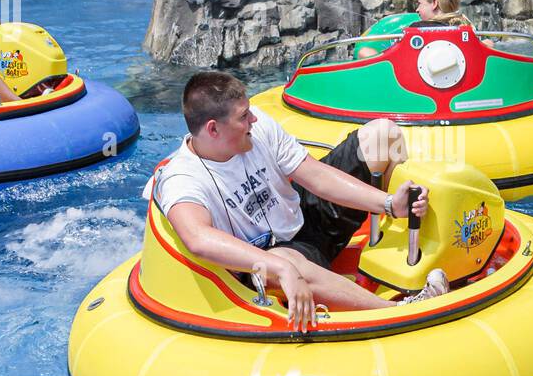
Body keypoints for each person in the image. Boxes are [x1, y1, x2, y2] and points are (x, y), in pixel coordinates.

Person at [148, 71, 451, 331]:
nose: (253, 119)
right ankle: (399, 313)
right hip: (267, 263)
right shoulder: (182, 179)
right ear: (213, 128)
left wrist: (388, 203)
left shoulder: (260, 127)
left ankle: (389, 247)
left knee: (382, 133)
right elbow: (198, 238)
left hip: (303, 222)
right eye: (243, 117)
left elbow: (316, 176)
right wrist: (279, 269)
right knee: (284, 259)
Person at [356, 0, 472, 59]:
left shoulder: (417, 29)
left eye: (420, 4)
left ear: (434, 4)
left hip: (411, 81)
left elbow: (396, 56)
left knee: (364, 52)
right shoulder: (466, 25)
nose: (417, 10)